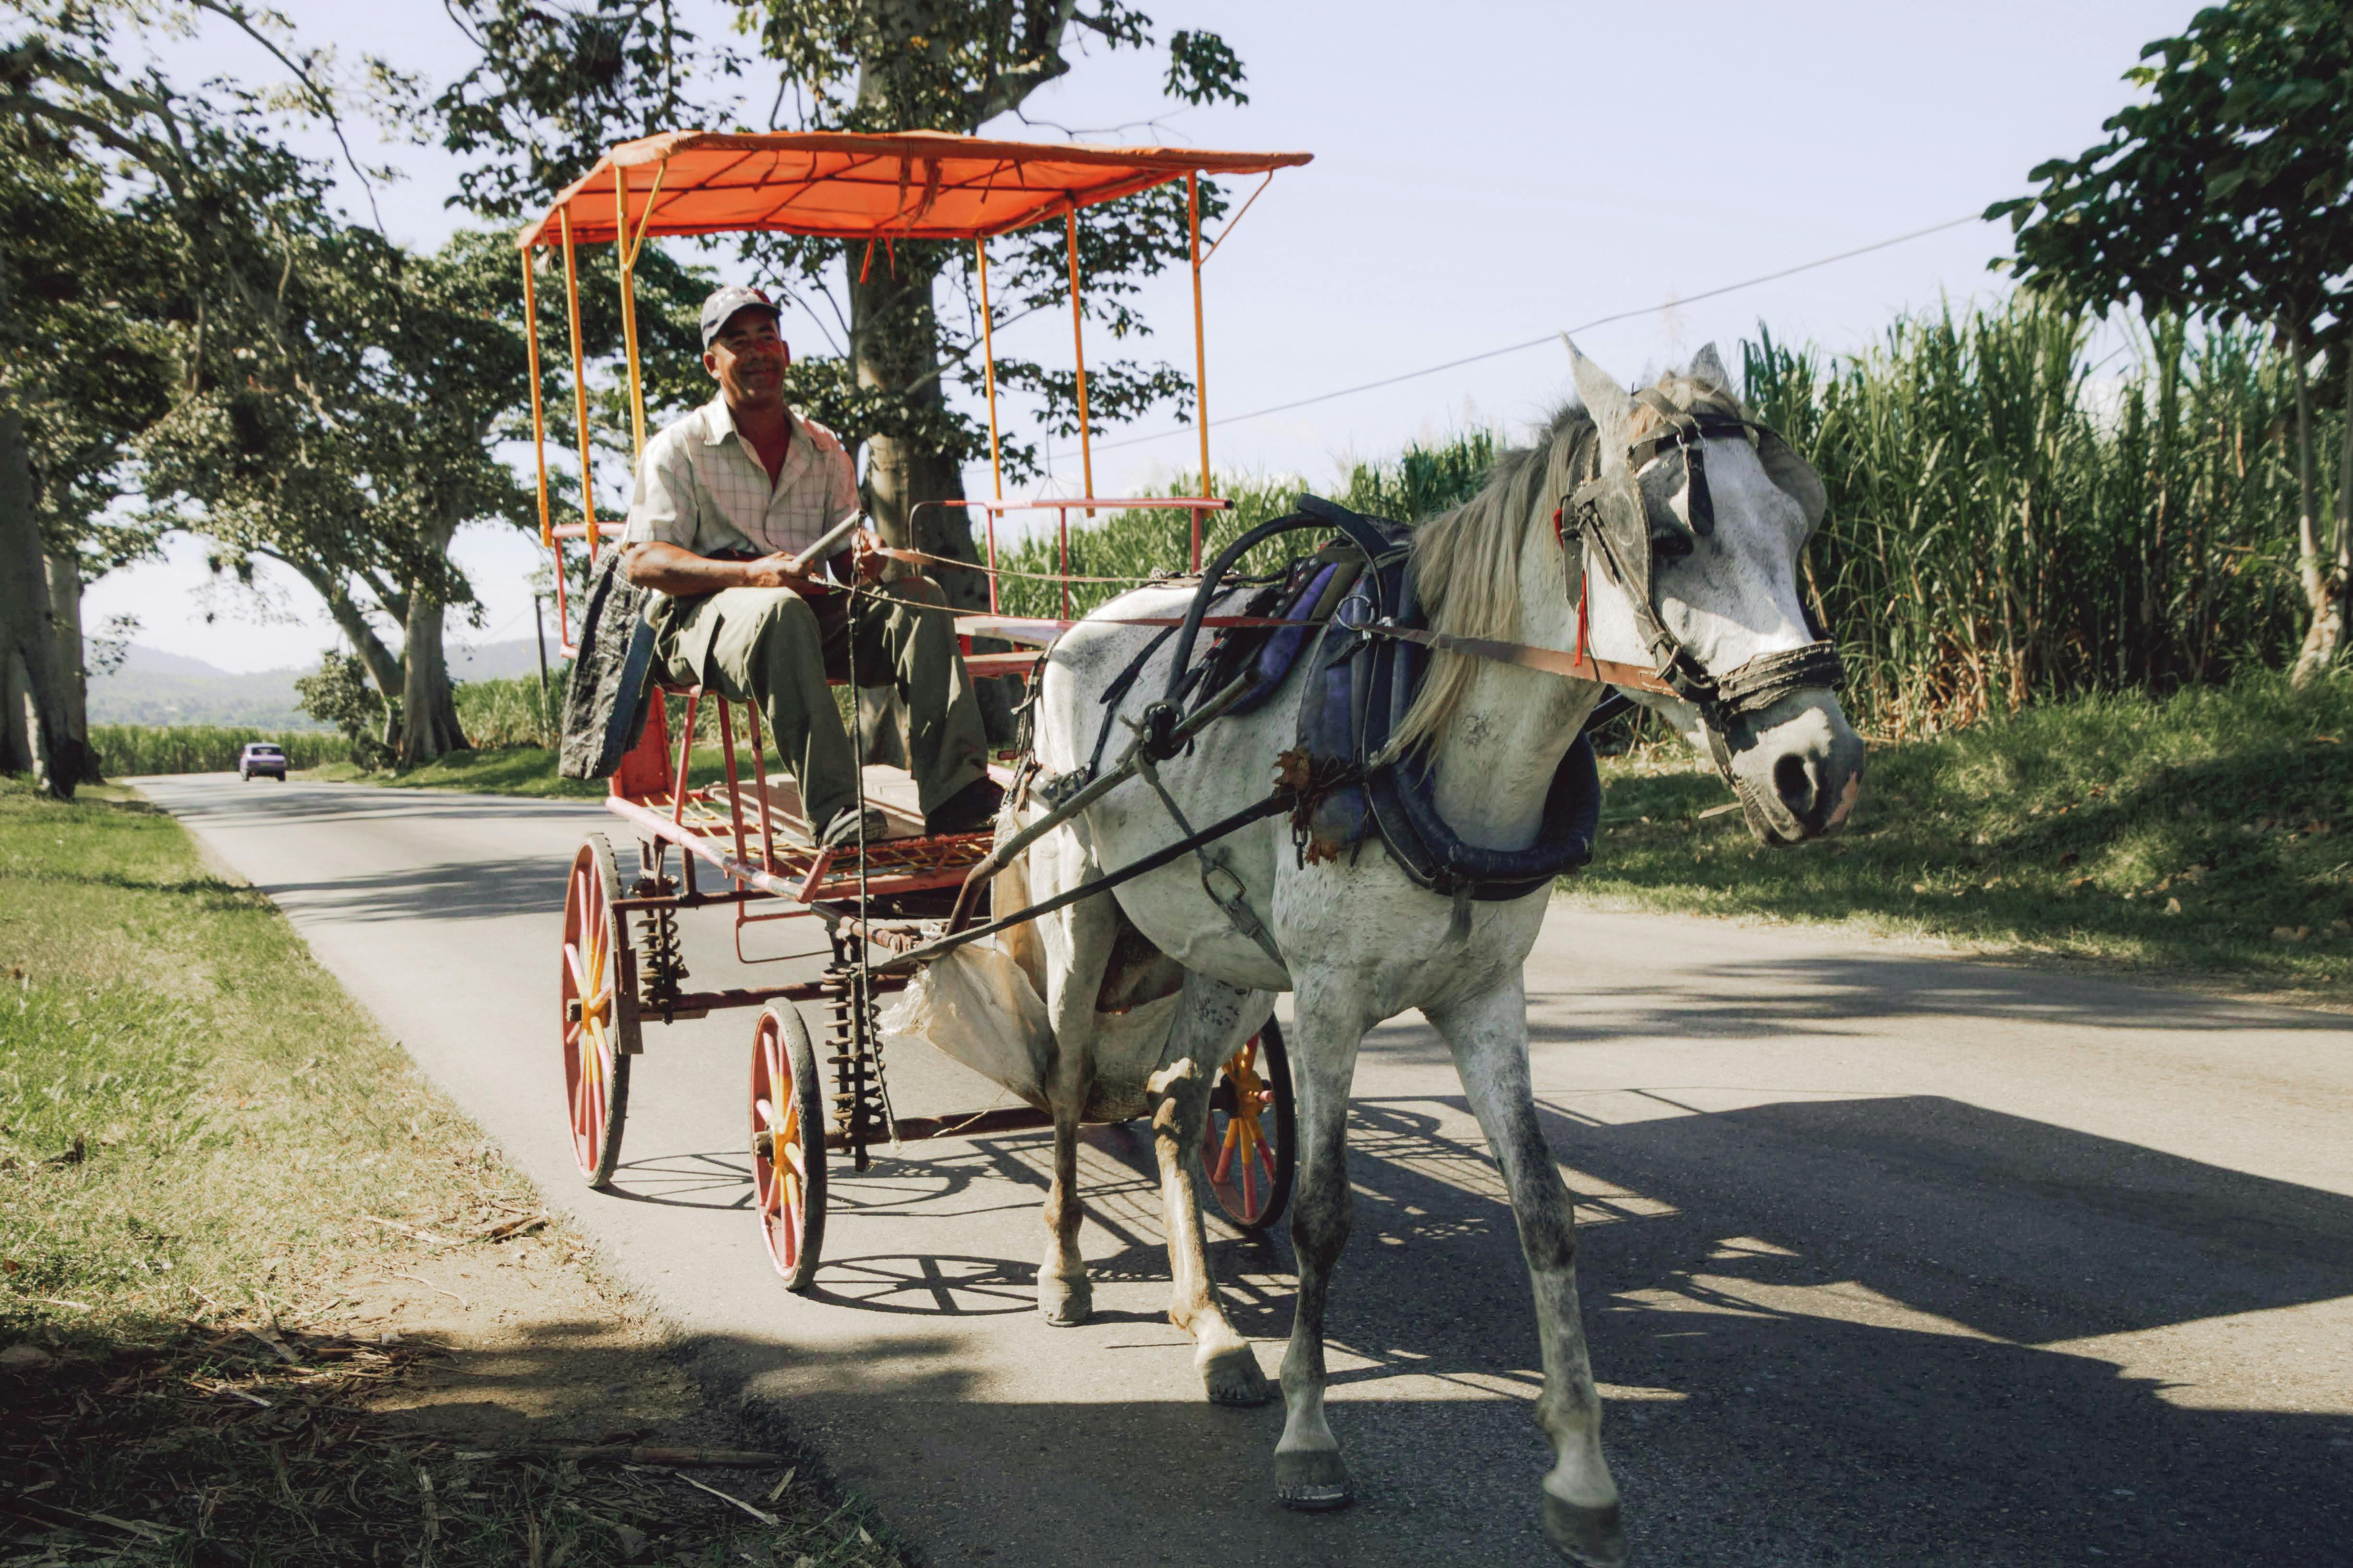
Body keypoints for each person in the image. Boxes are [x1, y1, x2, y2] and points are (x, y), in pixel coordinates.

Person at [619, 284, 1000, 847]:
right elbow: (644, 560)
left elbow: (845, 567)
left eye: (766, 337)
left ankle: (957, 793)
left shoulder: (823, 450)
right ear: (712, 363)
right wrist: (750, 575)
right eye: (737, 342)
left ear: (785, 353)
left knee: (918, 599)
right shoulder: (679, 447)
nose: (756, 352)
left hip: (805, 614)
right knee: (779, 609)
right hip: (701, 622)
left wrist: (865, 564)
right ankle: (836, 808)